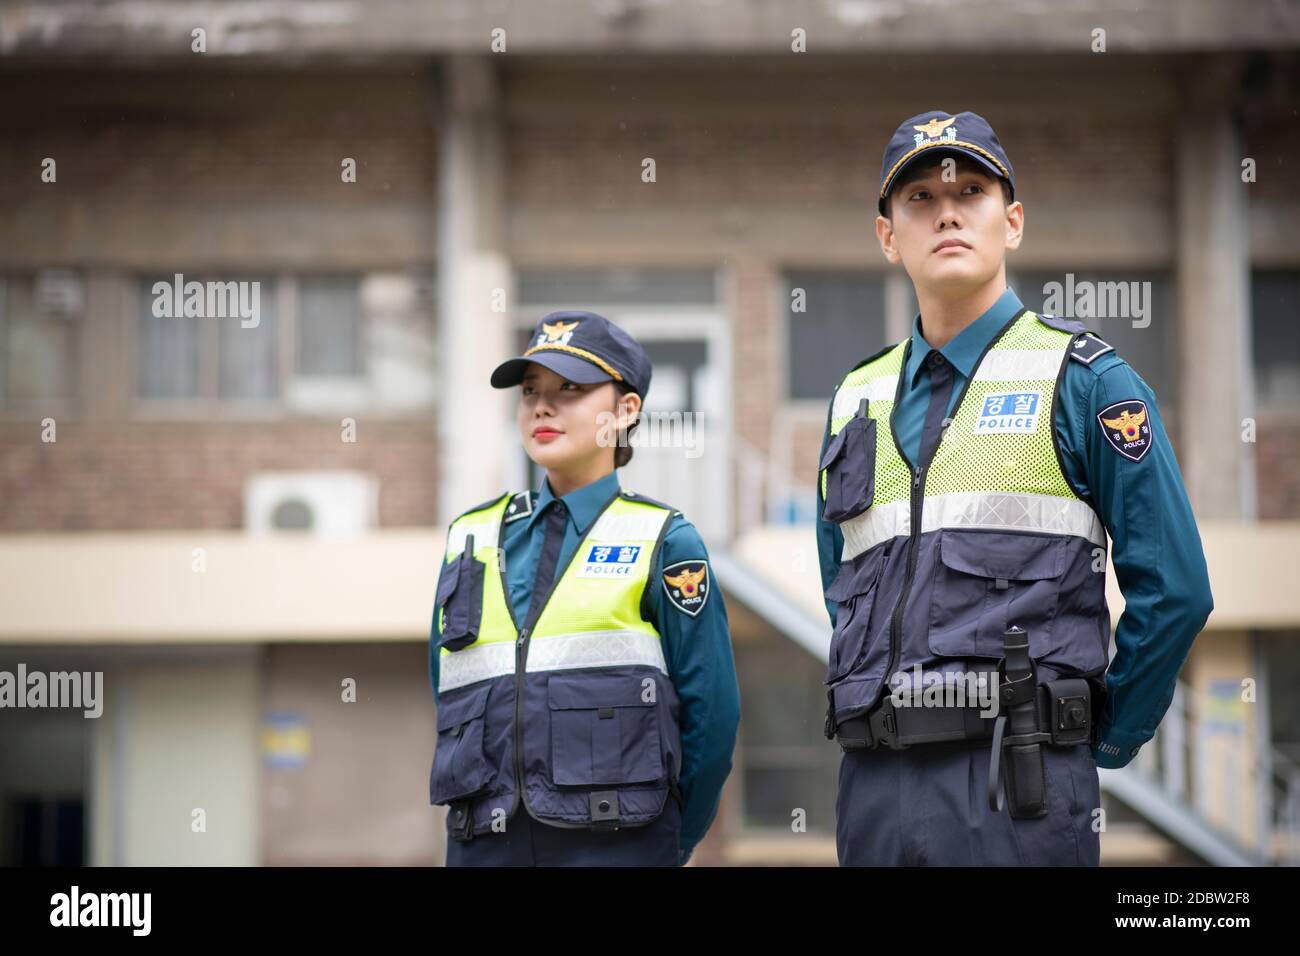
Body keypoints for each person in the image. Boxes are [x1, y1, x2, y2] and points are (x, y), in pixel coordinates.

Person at [815, 110, 1214, 865]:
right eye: (920, 200)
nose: (949, 211)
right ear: (887, 236)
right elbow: (839, 586)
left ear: (1014, 222)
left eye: (971, 190)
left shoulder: (1086, 381)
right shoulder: (852, 398)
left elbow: (1175, 591)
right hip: (870, 790)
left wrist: (1101, 735)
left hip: (1015, 785)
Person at [428, 309, 741, 866]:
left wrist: (670, 838)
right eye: (530, 391)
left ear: (625, 411)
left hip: (618, 847)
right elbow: (448, 686)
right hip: (483, 847)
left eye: (569, 388)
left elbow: (712, 716)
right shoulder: (468, 537)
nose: (542, 407)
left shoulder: (665, 541)